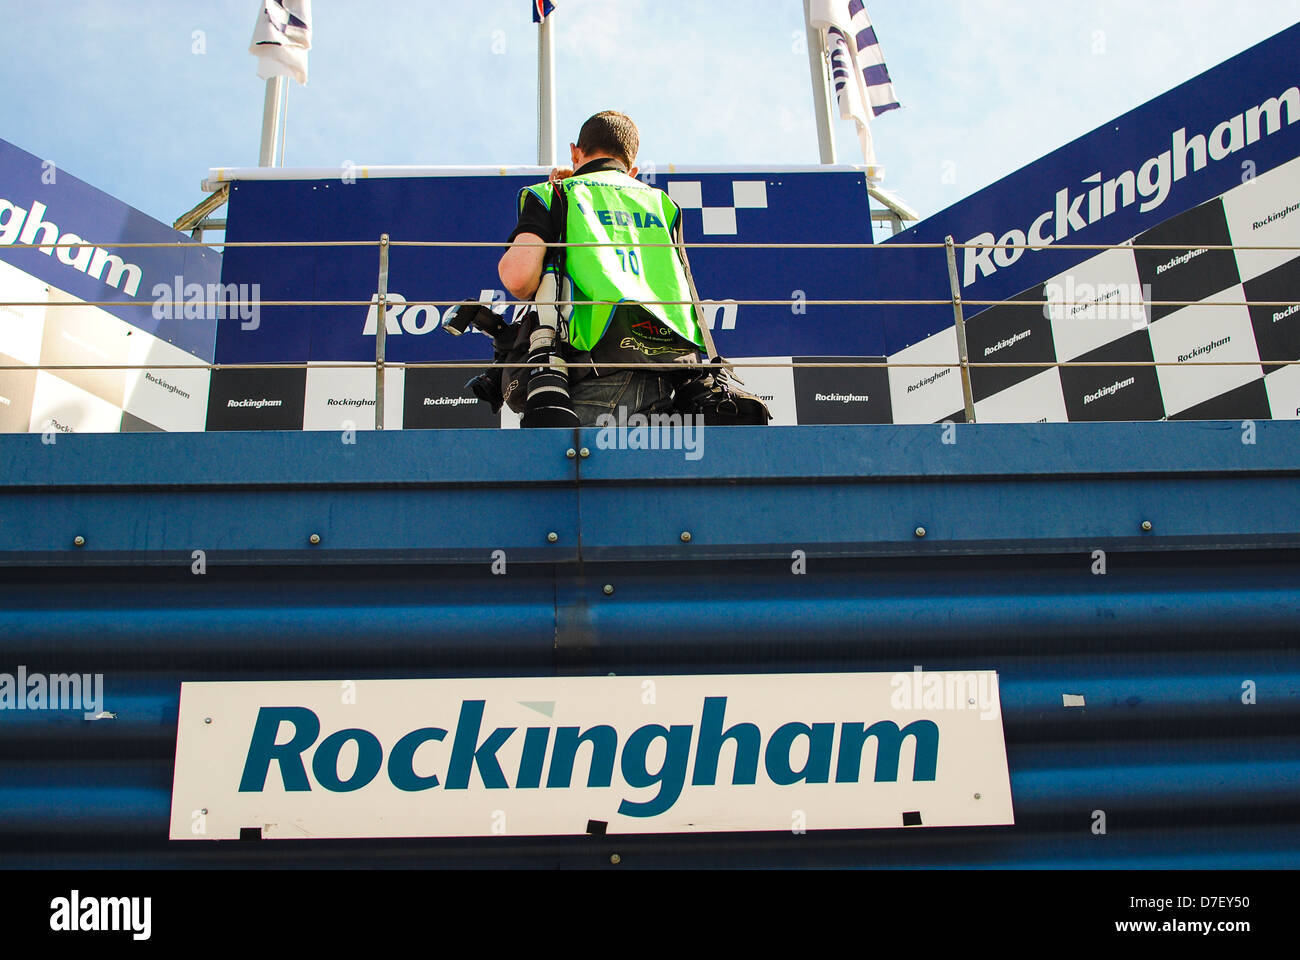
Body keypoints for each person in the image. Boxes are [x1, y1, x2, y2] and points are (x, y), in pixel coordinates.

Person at [497, 110, 706, 426]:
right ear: (632, 169)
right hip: (669, 375)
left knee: (565, 471)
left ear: (575, 152)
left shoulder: (556, 193)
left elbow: (518, 278)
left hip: (591, 370)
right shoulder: (662, 203)